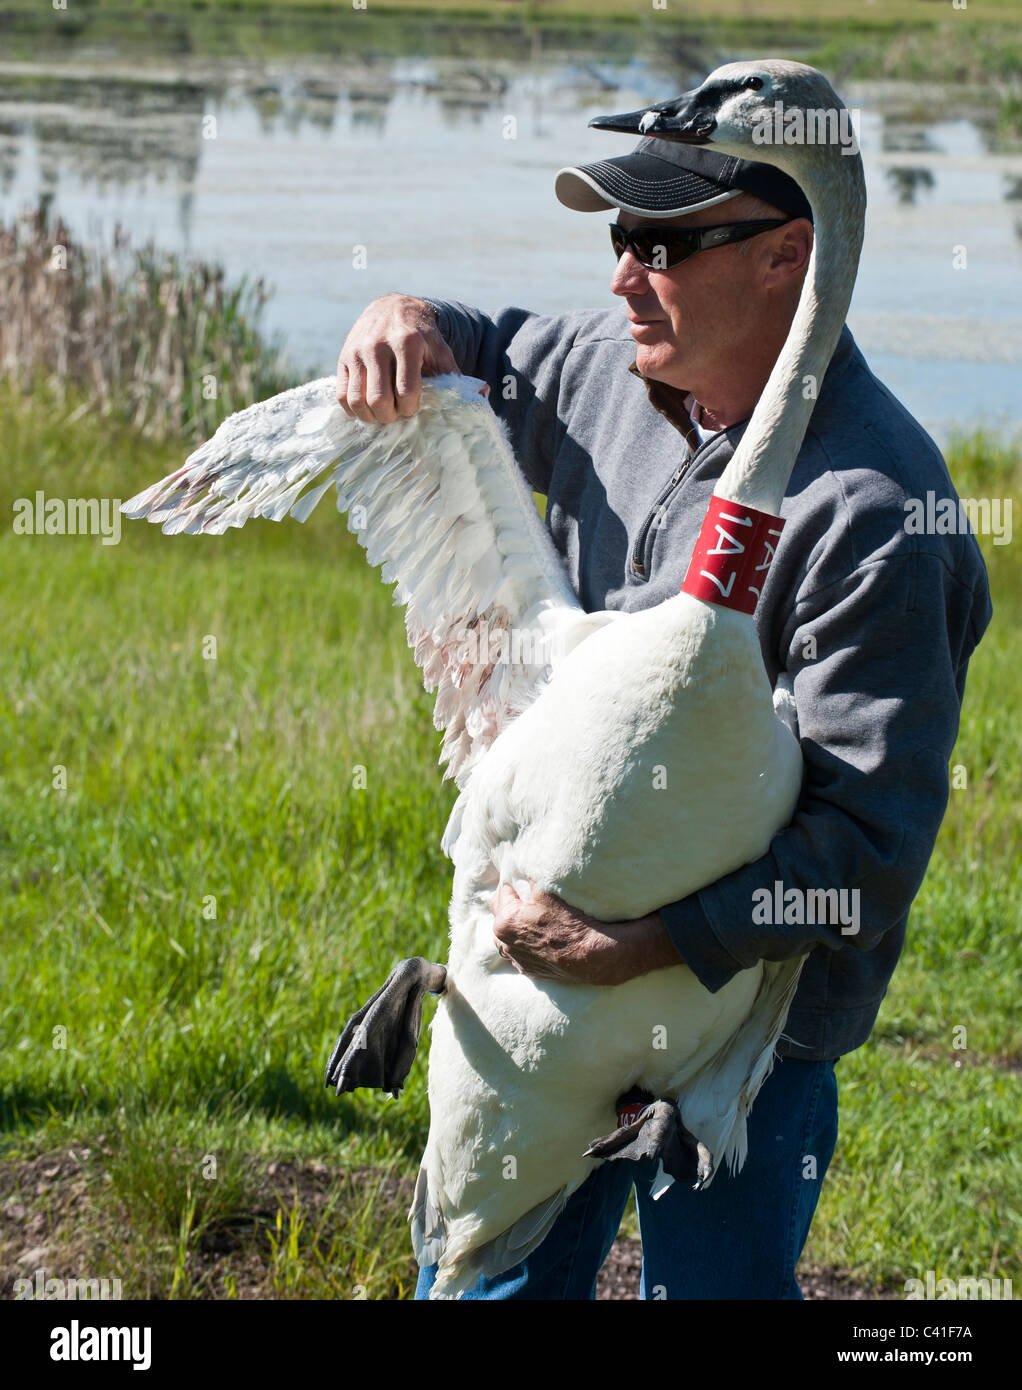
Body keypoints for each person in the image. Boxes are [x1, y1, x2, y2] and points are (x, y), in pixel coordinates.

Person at [335, 127, 992, 1299]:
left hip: (742, 1022)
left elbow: (862, 856)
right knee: (486, 1278)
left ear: (788, 255)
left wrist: (640, 949)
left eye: (663, 244)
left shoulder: (873, 511)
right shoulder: (609, 365)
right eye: (618, 237)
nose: (620, 275)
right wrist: (404, 312)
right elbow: (476, 349)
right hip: (538, 974)